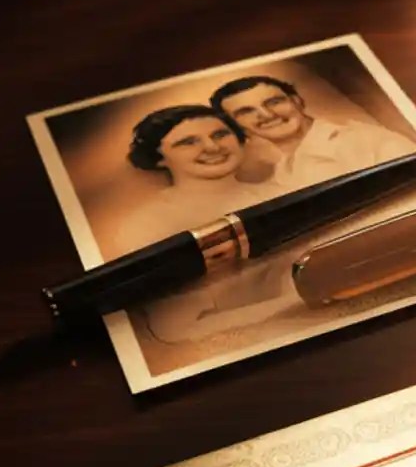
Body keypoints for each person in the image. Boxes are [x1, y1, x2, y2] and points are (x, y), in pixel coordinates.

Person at [119, 105, 295, 343]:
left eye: (220, 134)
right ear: (159, 158)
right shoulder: (150, 221)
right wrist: (292, 304)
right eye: (188, 142)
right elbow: (174, 329)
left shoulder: (279, 194)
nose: (212, 147)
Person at [210, 75, 416, 190]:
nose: (267, 115)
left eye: (274, 102)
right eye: (246, 112)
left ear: (297, 101)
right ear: (235, 127)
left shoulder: (369, 141)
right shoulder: (273, 172)